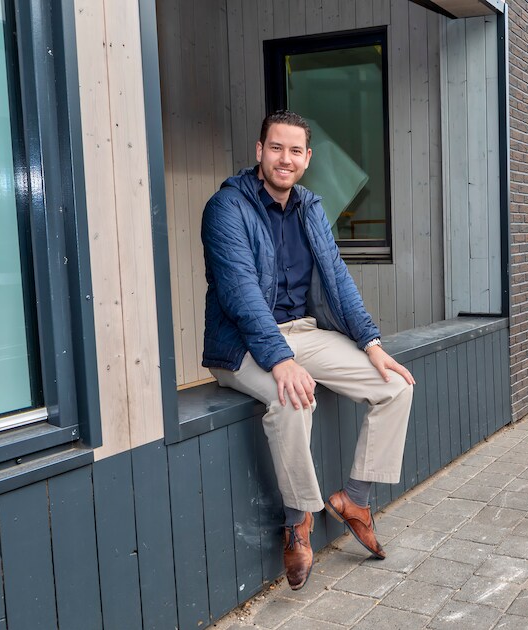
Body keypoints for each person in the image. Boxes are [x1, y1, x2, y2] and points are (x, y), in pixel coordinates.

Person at [201, 110, 415, 591]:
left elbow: (339, 279)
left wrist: (371, 343)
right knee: (293, 398)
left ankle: (354, 499)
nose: (285, 158)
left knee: (395, 386)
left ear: (307, 158)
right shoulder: (227, 208)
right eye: (276, 148)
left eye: (295, 151)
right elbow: (239, 292)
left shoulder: (310, 208)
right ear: (260, 151)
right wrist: (280, 360)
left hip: (305, 333)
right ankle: (298, 521)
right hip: (242, 343)